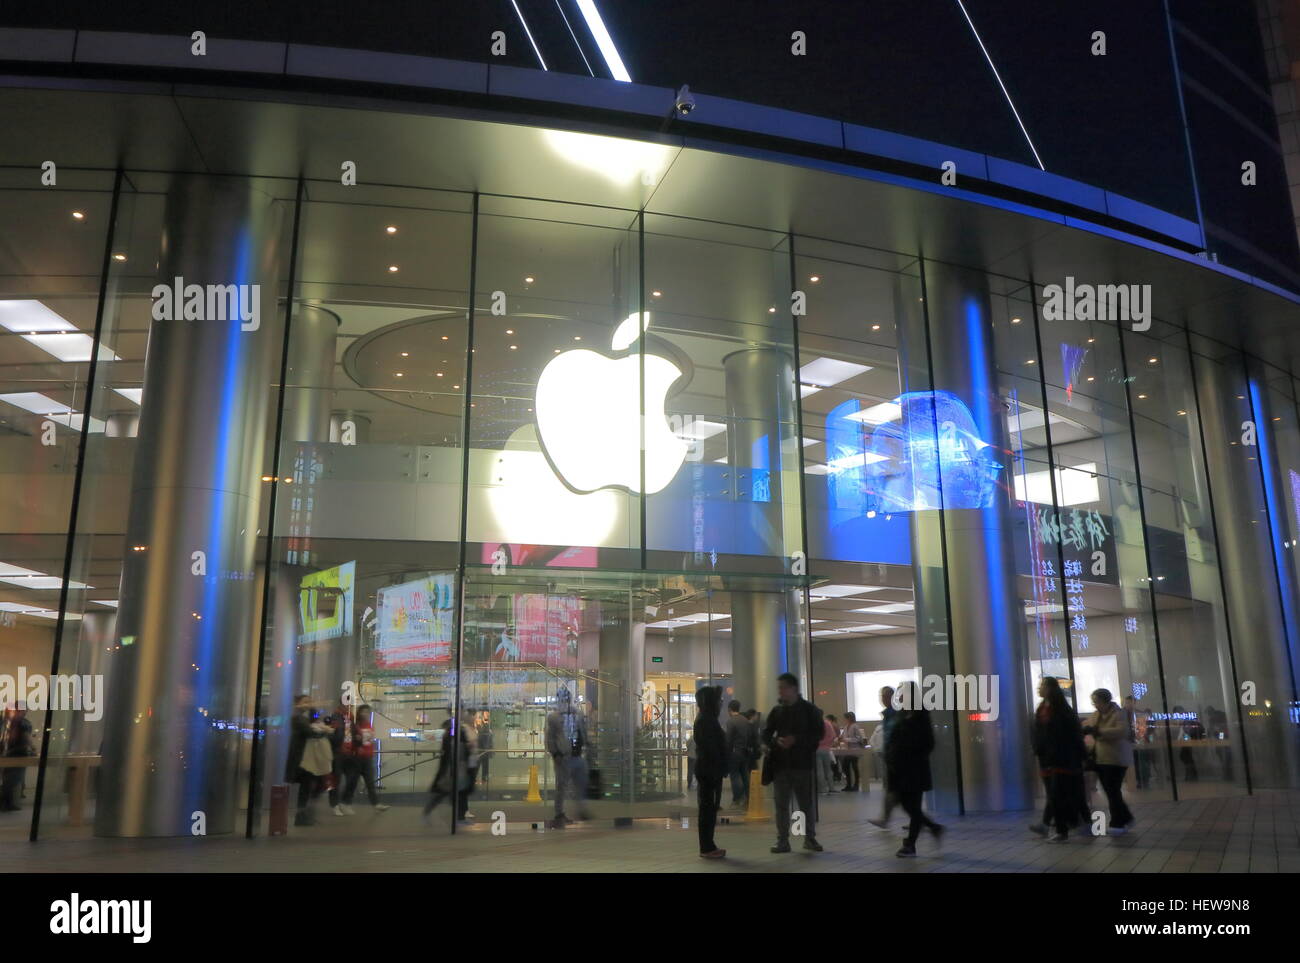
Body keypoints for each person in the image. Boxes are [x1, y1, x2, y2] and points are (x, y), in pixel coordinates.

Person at [762, 672, 825, 853]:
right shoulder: (777, 711)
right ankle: (783, 840)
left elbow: (818, 735)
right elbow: (766, 734)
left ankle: (809, 838)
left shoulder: (809, 710)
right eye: (779, 688)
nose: (780, 692)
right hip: (781, 765)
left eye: (783, 688)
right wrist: (775, 742)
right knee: (782, 805)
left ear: (793, 689)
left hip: (802, 765)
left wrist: (795, 740)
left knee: (805, 804)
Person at [887, 682, 943, 857]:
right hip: (901, 769)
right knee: (908, 805)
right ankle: (934, 828)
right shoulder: (902, 715)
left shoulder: (920, 715)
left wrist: (909, 752)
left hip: (914, 769)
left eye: (903, 694)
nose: (900, 697)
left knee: (913, 806)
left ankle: (910, 844)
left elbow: (928, 743)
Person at [1029, 676, 1088, 842]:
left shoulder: (1061, 710)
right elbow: (1039, 733)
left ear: (1049, 688)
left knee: (1058, 795)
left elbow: (1072, 735)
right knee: (1054, 795)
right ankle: (1053, 825)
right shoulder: (1042, 708)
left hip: (1062, 758)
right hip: (1047, 758)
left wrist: (1081, 755)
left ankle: (1062, 829)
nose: (1038, 688)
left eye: (1041, 685)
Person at [1082, 688, 1135, 834]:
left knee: (1112, 790)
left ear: (1106, 701)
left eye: (1097, 701)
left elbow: (1122, 731)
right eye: (1094, 702)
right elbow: (1089, 726)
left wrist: (1098, 731)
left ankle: (1118, 822)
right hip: (1101, 758)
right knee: (1110, 791)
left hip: (1116, 759)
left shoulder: (1119, 713)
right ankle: (1125, 818)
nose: (1095, 705)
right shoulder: (1096, 715)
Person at [544, 687, 591, 827]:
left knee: (581, 783)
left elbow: (582, 731)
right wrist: (555, 753)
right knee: (562, 786)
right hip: (563, 757)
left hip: (577, 755)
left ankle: (581, 809)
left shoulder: (578, 714)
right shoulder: (553, 717)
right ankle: (559, 813)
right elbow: (550, 738)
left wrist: (587, 743)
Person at [285, 695, 333, 826]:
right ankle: (301, 817)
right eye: (305, 702)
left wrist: (313, 708)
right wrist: (325, 731)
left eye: (309, 701)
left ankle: (304, 816)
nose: (308, 704)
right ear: (297, 704)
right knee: (306, 787)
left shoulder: (304, 717)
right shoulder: (297, 718)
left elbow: (315, 719)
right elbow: (310, 732)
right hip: (302, 759)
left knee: (310, 786)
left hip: (307, 757)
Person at [693, 686, 727, 859]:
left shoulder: (706, 719)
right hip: (709, 770)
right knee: (707, 809)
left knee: (708, 808)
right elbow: (711, 748)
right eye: (718, 700)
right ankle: (707, 847)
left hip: (709, 769)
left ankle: (708, 845)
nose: (721, 703)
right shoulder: (706, 721)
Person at [339, 704, 389, 814]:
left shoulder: (369, 725)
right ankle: (344, 803)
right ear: (359, 713)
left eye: (367, 712)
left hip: (367, 758)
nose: (365, 714)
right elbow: (351, 740)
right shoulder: (355, 726)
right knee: (352, 782)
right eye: (363, 712)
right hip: (356, 758)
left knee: (370, 782)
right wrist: (357, 744)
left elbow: (369, 740)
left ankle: (376, 804)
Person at [423, 718, 471, 825]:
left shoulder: (451, 734)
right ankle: (459, 817)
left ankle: (459, 817)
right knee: (448, 793)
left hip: (452, 770)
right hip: (451, 771)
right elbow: (456, 752)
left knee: (449, 793)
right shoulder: (454, 734)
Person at [868, 686, 899, 828]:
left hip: (897, 757)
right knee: (891, 789)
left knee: (895, 790)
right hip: (890, 756)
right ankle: (885, 819)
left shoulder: (897, 714)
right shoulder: (889, 714)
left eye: (886, 696)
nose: (883, 699)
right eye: (882, 696)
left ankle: (885, 819)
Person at [1, 703, 33, 811]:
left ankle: (7, 803)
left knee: (10, 780)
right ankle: (6, 803)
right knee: (12, 780)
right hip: (18, 753)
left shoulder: (9, 722)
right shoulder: (22, 723)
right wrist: (31, 749)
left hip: (11, 753)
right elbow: (24, 738)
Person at [725, 699, 756, 807]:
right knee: (745, 775)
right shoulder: (745, 720)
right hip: (745, 752)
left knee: (735, 775)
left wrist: (726, 753)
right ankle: (748, 798)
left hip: (734, 752)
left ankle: (737, 799)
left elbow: (728, 740)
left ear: (729, 709)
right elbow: (751, 736)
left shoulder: (731, 722)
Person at [837, 711, 865, 791]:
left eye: (846, 718)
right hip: (848, 750)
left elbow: (859, 738)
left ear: (850, 718)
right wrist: (839, 738)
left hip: (855, 749)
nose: (845, 719)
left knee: (854, 766)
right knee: (845, 766)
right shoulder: (845, 727)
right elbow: (842, 736)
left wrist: (846, 739)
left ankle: (856, 785)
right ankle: (848, 784)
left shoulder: (855, 726)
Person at [816, 714, 839, 794]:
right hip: (826, 749)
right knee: (828, 770)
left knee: (819, 770)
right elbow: (833, 736)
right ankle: (831, 788)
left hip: (816, 749)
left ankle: (822, 789)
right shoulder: (827, 723)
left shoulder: (813, 723)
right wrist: (828, 744)